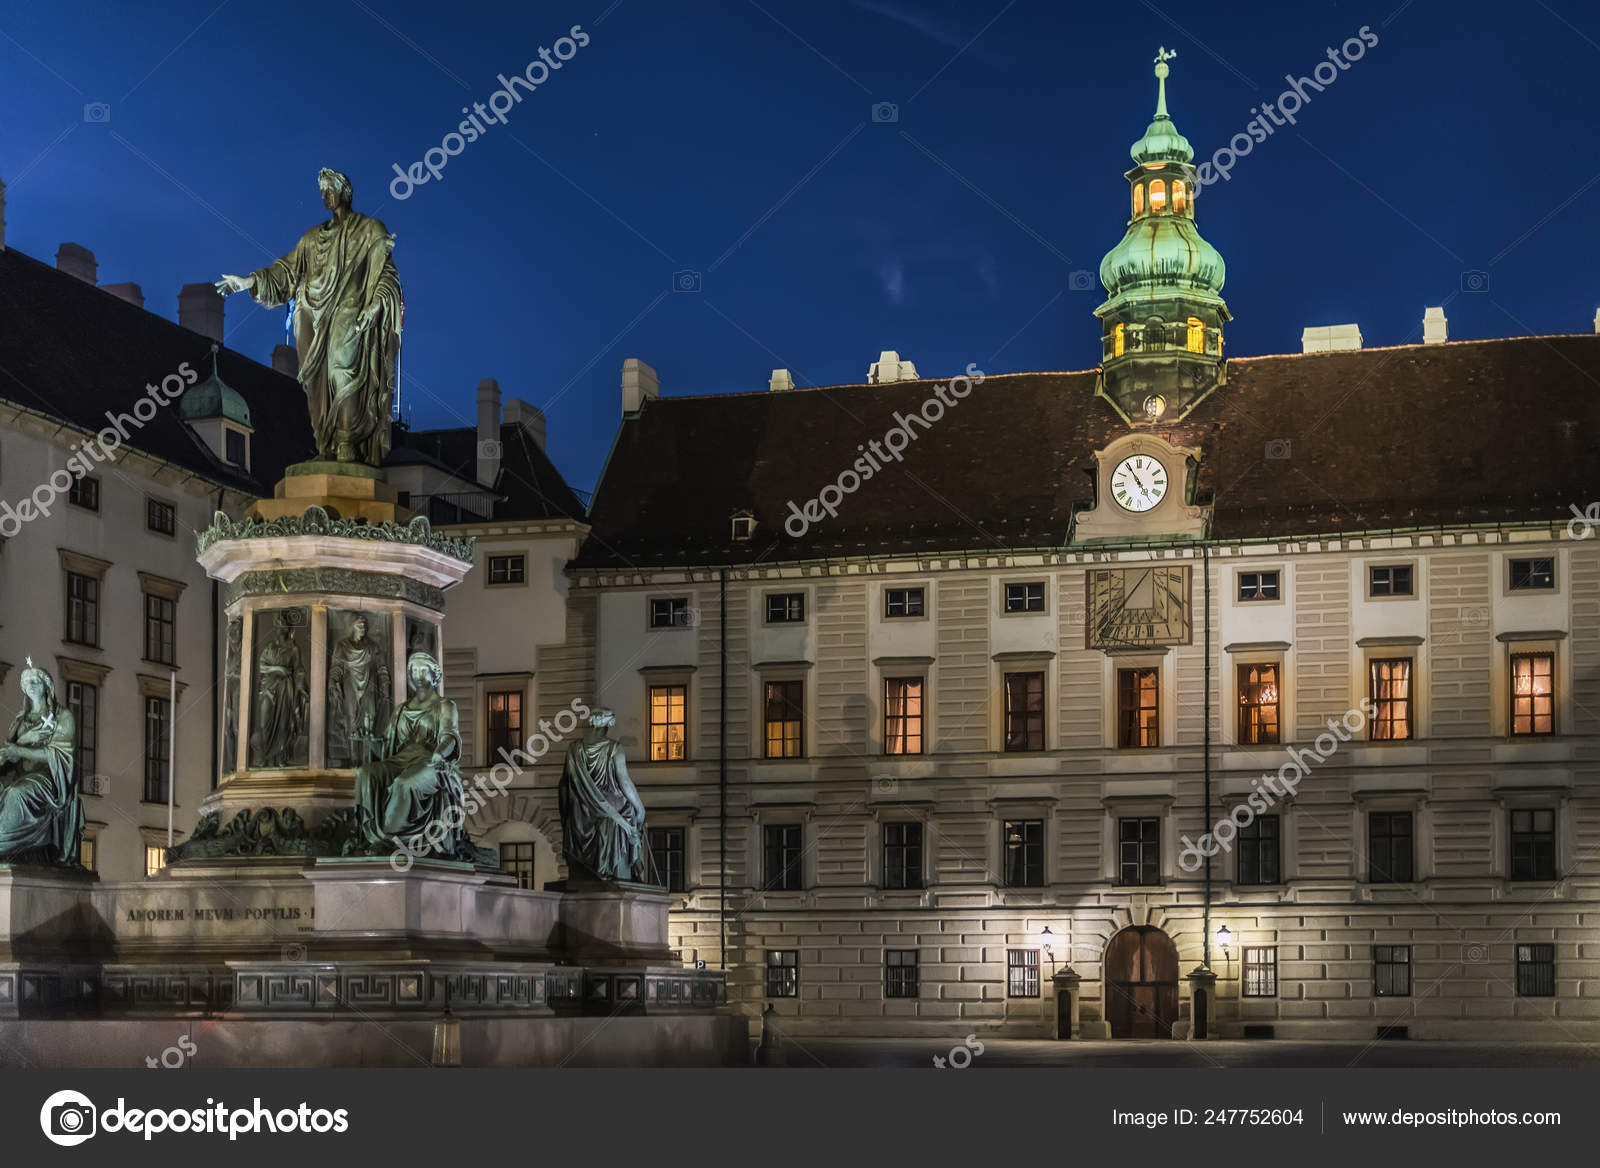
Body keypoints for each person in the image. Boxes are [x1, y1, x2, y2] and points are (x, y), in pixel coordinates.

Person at [215, 168, 402, 465]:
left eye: (330, 188)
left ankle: (346, 442)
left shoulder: (370, 230)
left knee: (341, 371)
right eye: (322, 191)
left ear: (345, 192)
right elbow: (286, 271)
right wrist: (248, 281)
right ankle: (326, 445)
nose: (326, 195)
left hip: (350, 311)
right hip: (310, 314)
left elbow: (386, 276)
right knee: (315, 382)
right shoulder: (312, 238)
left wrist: (374, 307)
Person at [353, 652, 466, 857]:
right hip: (399, 760)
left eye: (423, 670)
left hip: (430, 761)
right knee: (365, 773)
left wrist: (439, 754)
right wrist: (368, 741)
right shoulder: (401, 710)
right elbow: (387, 747)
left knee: (404, 785)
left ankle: (391, 840)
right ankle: (373, 837)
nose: (417, 675)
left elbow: (450, 736)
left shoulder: (445, 706)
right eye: (413, 670)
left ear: (434, 674)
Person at [0, 658, 84, 865]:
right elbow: (8, 754)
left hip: (49, 777)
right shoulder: (20, 720)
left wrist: (20, 749)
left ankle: (5, 844)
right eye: (26, 682)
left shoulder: (63, 716)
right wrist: (24, 740)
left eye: (35, 681)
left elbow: (60, 754)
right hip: (19, 774)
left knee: (17, 794)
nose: (30, 685)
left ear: (47, 686)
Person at [558, 707, 646, 882]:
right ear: (607, 724)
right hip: (608, 802)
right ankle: (627, 872)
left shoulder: (574, 748)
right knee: (629, 812)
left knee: (620, 812)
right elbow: (624, 781)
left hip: (580, 810)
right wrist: (640, 808)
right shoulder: (614, 748)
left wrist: (568, 811)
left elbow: (565, 784)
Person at [327, 613, 389, 766]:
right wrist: (333, 682)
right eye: (359, 625)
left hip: (369, 687)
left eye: (364, 625)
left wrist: (385, 686)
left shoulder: (372, 647)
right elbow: (336, 668)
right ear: (351, 626)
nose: (363, 628)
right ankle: (354, 760)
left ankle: (367, 760)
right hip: (350, 686)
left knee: (370, 719)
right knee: (351, 720)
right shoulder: (343, 646)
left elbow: (381, 668)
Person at [252, 611, 306, 768]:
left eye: (282, 626)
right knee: (265, 723)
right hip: (268, 689)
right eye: (277, 626)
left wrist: (300, 686)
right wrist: (278, 669)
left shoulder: (293, 649)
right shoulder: (270, 647)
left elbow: (299, 669)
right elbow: (262, 666)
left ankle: (280, 758)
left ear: (287, 629)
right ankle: (266, 757)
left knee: (284, 724)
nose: (280, 629)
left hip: (285, 689)